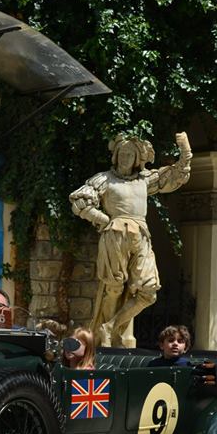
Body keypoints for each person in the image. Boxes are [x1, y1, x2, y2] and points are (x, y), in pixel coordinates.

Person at [70, 131, 192, 348]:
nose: (125, 157)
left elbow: (174, 177)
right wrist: (102, 218)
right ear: (115, 155)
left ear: (138, 158)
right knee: (114, 288)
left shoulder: (145, 180)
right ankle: (108, 336)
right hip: (115, 234)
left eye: (130, 154)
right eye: (122, 153)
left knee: (149, 291)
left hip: (141, 236)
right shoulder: (104, 179)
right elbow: (80, 201)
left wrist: (185, 153)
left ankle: (111, 326)